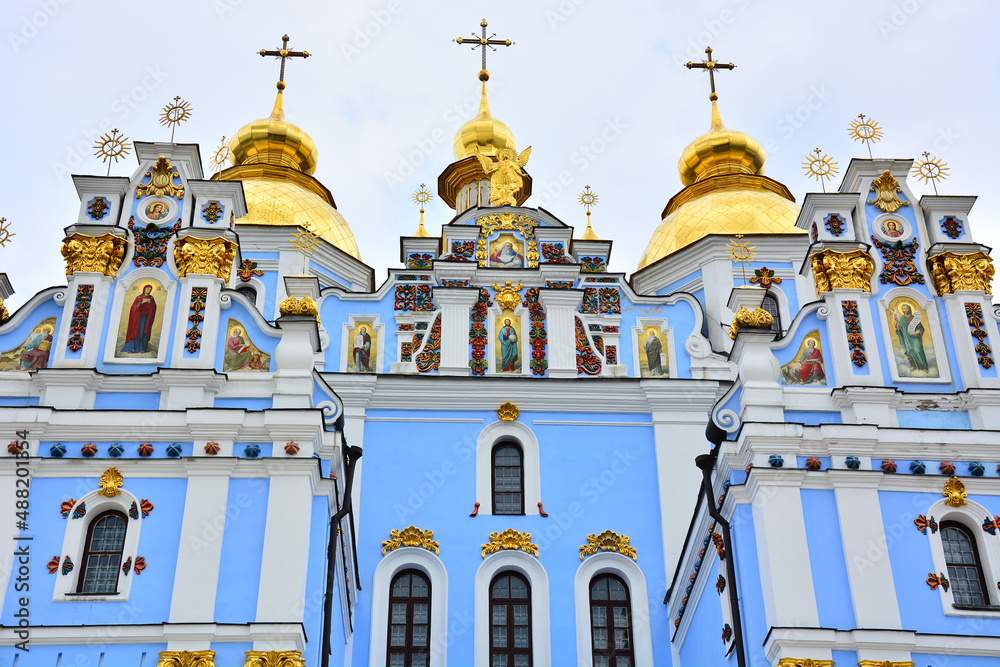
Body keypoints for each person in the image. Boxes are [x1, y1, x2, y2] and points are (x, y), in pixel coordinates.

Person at [121, 284, 157, 354]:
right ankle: (131, 348)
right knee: (135, 331)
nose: (148, 290)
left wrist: (150, 304)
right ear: (144, 289)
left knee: (142, 332)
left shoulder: (151, 298)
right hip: (137, 318)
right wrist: (141, 303)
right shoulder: (139, 297)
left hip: (146, 319)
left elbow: (154, 307)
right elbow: (133, 307)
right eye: (147, 289)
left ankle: (142, 348)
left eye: (150, 289)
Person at [894, 304, 928, 372]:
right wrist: (897, 321)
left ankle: (924, 366)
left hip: (915, 338)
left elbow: (921, 329)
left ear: (909, 309)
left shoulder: (914, 319)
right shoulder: (901, 319)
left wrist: (915, 333)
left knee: (918, 350)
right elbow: (898, 329)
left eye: (906, 308)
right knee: (909, 352)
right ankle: (913, 366)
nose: (905, 310)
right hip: (907, 338)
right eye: (903, 308)